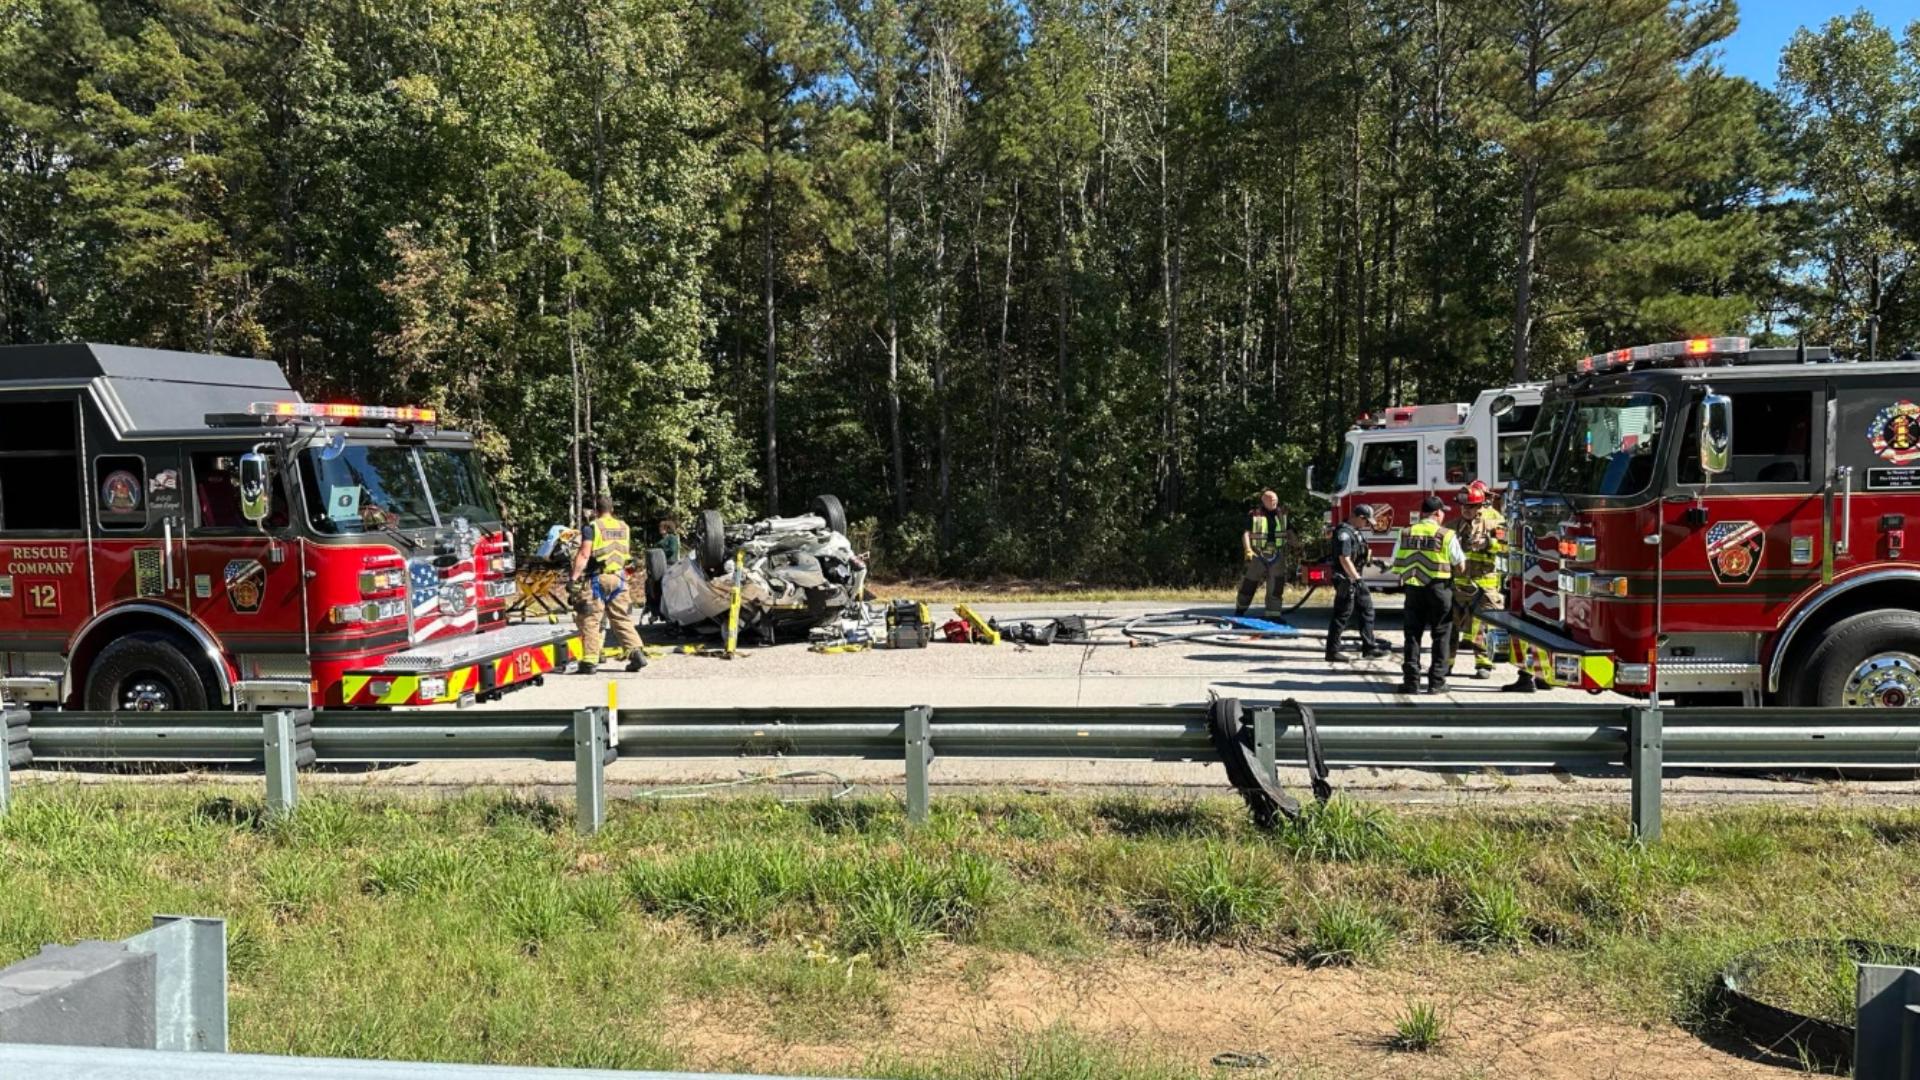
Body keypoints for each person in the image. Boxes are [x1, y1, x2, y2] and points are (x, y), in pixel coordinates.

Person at [1390, 494, 1466, 695]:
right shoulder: (1447, 534)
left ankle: (1411, 682)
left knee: (1412, 635)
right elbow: (1460, 565)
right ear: (1437, 513)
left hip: (1414, 589)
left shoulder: (1405, 533)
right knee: (1441, 634)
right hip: (1440, 590)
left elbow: (1395, 562)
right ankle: (1436, 682)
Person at [570, 495, 646, 674]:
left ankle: (589, 661)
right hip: (620, 579)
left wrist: (573, 578)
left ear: (596, 510)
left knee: (590, 618)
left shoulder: (592, 528)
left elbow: (584, 554)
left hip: (598, 579)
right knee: (621, 618)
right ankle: (635, 652)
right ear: (612, 510)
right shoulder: (624, 527)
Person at [1451, 480, 1508, 680]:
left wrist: (1487, 543)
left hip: (1485, 584)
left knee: (1481, 627)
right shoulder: (1452, 526)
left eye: (1471, 506)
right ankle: (1445, 665)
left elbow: (1508, 547)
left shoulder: (1495, 523)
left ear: (1480, 505)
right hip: (1459, 585)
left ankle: (1483, 664)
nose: (1466, 510)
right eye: (1464, 506)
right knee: (1451, 626)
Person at [1326, 504, 1389, 662]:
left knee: (1367, 611)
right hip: (1346, 580)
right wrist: (1357, 580)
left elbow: (1359, 555)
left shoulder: (1355, 533)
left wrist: (1377, 562)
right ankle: (1332, 651)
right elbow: (1344, 559)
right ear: (1359, 518)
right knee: (1342, 614)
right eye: (1366, 522)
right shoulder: (1344, 533)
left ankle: (1369, 647)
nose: (1367, 525)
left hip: (1354, 578)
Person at [1236, 489, 1293, 619]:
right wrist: (1248, 549)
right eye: (1271, 500)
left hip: (1277, 555)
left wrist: (1297, 544)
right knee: (1249, 584)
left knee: (1276, 587)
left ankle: (1273, 615)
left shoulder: (1281, 514)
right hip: (1258, 555)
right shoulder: (1255, 514)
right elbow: (1246, 533)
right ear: (1263, 500)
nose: (1274, 502)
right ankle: (1240, 610)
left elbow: (1289, 532)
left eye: (1276, 500)